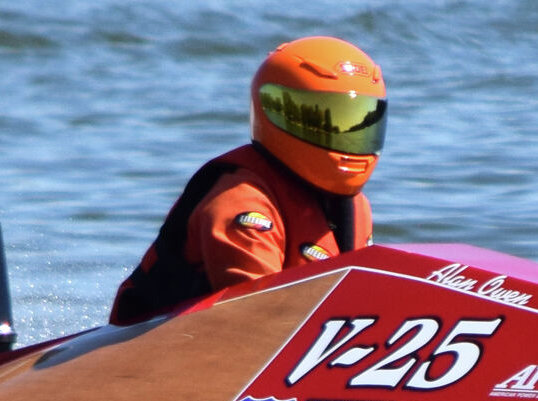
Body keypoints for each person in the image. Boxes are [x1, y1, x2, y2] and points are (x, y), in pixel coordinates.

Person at [110, 36, 385, 324]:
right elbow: (254, 316)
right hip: (157, 348)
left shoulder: (356, 207)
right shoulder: (240, 199)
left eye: (359, 122)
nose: (345, 136)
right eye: (327, 121)